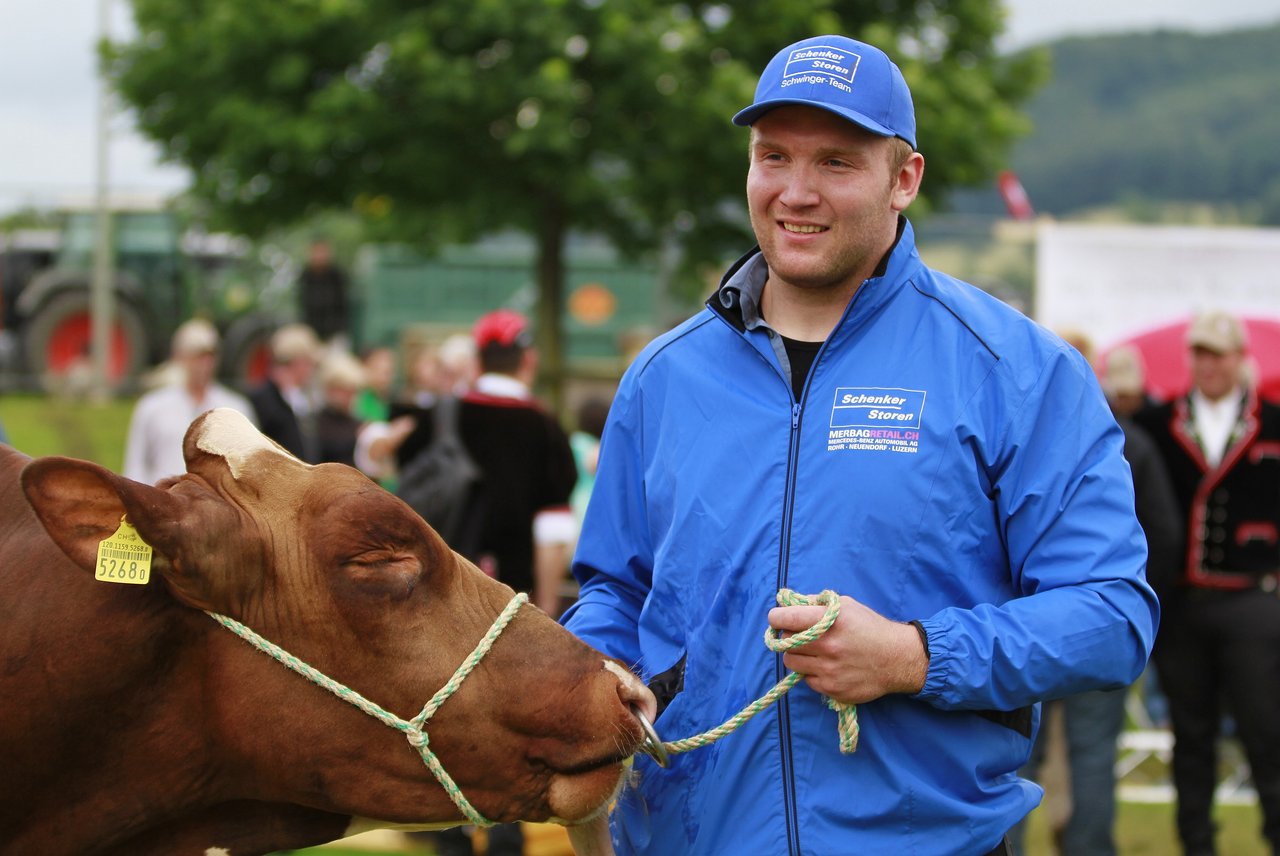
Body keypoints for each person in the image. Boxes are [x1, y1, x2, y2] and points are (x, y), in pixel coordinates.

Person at [559, 34, 1159, 855]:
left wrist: (916, 657)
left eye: (836, 162)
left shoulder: (1016, 371)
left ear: (903, 179)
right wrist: (596, 673)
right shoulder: (663, 378)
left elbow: (1111, 615)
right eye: (773, 156)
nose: (796, 192)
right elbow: (615, 592)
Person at [398, 309, 577, 856]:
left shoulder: (442, 415)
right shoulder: (545, 428)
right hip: (511, 605)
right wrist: (544, 607)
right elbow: (553, 532)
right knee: (510, 722)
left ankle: (447, 828)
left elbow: (394, 468)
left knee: (443, 713)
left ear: (478, 359)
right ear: (528, 360)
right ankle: (504, 829)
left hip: (438, 599)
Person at [1013, 332, 1182, 856]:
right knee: (1089, 753)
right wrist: (1141, 607)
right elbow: (1164, 534)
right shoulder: (1128, 440)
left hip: (1028, 621)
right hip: (1093, 618)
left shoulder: (1022, 433)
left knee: (1019, 752)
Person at [1135, 310, 1280, 855]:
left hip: (1253, 602)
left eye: (1217, 354)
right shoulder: (1155, 425)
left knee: (1266, 733)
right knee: (1190, 737)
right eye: (1199, 353)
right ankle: (1196, 845)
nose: (1207, 364)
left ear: (1240, 358)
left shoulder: (1274, 422)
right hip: (1183, 604)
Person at [122, 318, 255, 484]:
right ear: (179, 357)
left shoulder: (236, 409)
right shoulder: (152, 407)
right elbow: (135, 466)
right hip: (162, 497)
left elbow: (248, 469)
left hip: (213, 500)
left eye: (209, 357)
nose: (204, 365)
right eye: (197, 357)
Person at [248, 322, 322, 463]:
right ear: (298, 361)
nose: (311, 370)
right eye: (309, 363)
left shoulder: (305, 396)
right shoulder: (264, 397)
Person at [314, 350, 366, 467]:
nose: (350, 396)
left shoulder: (356, 422)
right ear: (330, 389)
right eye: (345, 390)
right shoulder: (316, 422)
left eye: (353, 391)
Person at [297, 238, 350, 346]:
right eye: (316, 251)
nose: (320, 256)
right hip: (311, 333)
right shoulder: (304, 277)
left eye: (323, 251)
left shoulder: (338, 276)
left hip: (335, 333)